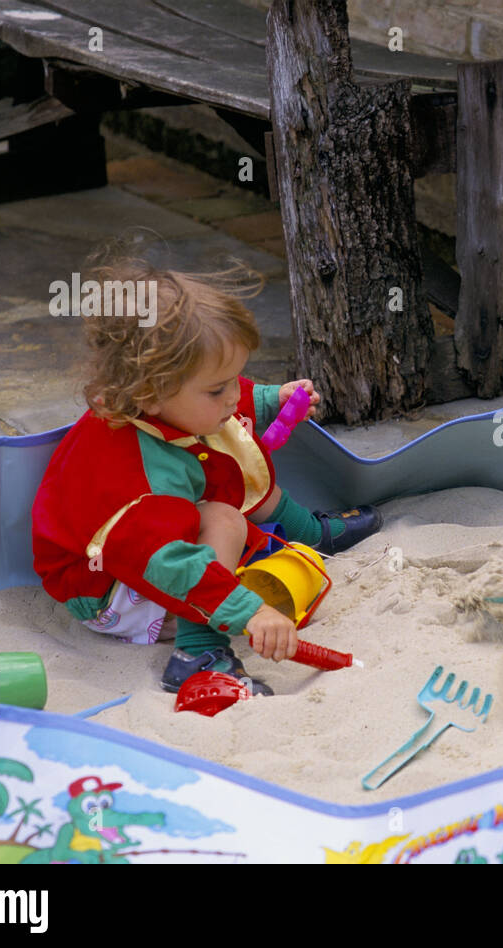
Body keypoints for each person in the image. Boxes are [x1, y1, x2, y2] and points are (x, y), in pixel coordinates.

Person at [32, 259, 381, 695]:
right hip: (106, 588)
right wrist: (250, 611)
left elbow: (229, 393)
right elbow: (169, 563)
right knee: (224, 519)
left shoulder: (159, 403)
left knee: (231, 458)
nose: (234, 396)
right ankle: (197, 651)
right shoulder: (139, 480)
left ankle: (309, 533)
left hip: (143, 552)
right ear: (148, 393)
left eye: (235, 379)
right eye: (219, 389)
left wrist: (275, 399)